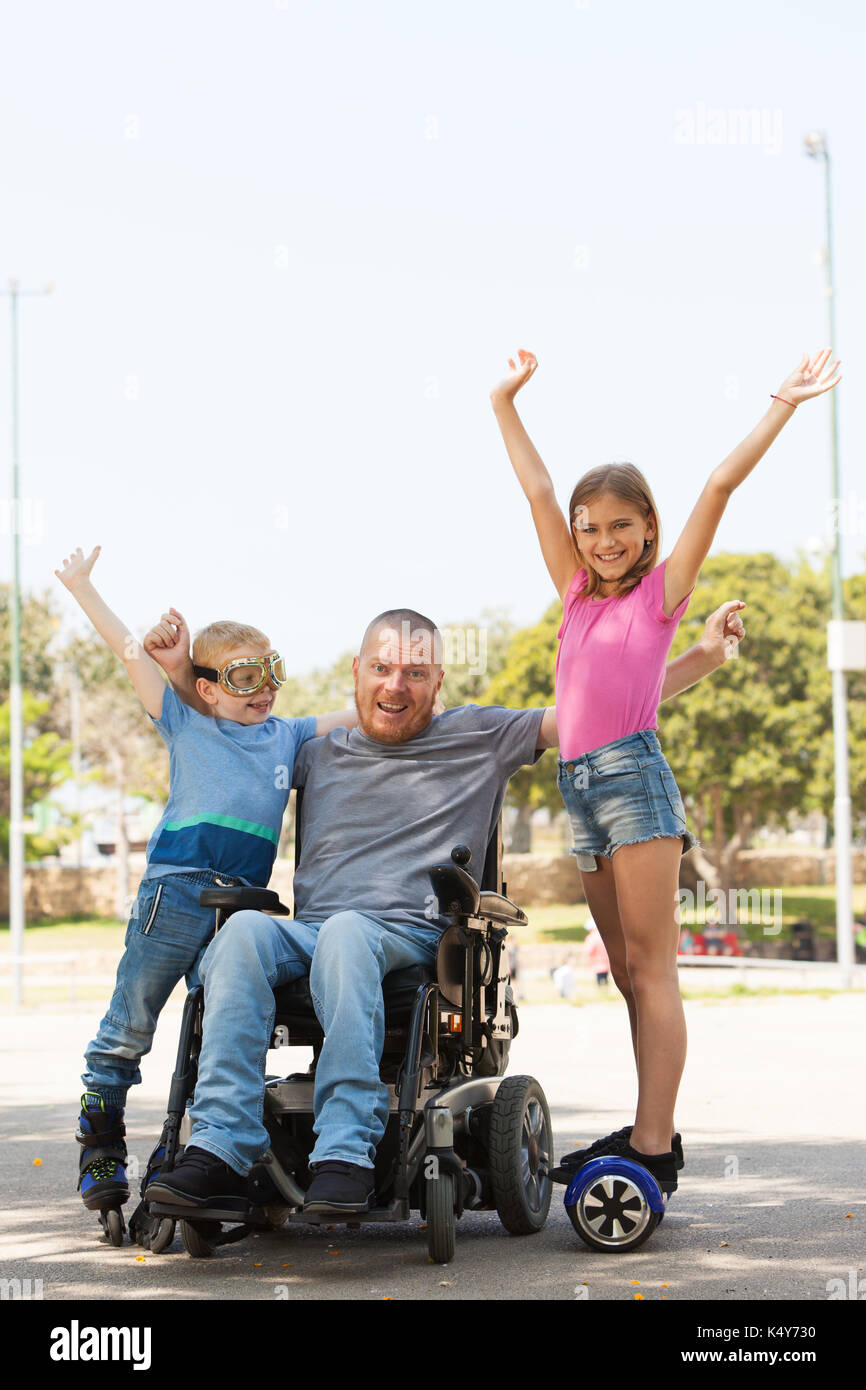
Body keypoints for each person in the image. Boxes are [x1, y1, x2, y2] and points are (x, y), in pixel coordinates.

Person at [147, 602, 741, 1216]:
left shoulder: (479, 735)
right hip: (316, 933)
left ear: (438, 682)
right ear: (357, 671)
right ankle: (219, 1147)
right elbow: (226, 732)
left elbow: (598, 715)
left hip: (410, 935)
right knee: (243, 932)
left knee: (348, 932)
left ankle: (346, 1151)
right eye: (381, 668)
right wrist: (176, 675)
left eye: (415, 672)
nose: (395, 685)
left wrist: (703, 658)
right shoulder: (315, 749)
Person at [489, 346, 840, 1193]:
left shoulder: (662, 593)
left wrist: (781, 404)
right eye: (590, 526)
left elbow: (719, 484)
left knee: (653, 969)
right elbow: (538, 492)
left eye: (620, 525)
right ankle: (654, 1129)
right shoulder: (575, 595)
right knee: (624, 975)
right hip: (579, 789)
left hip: (634, 784)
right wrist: (505, 402)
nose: (603, 539)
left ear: (647, 527)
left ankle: (651, 1145)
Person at [55, 547, 354, 1228]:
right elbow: (127, 650)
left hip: (242, 913)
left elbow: (366, 715)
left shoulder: (288, 735)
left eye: (273, 671)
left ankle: (183, 1153)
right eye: (247, 676)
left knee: (209, 1033)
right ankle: (101, 1137)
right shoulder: (186, 722)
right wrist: (82, 586)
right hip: (178, 894)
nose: (265, 686)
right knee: (132, 1023)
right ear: (208, 686)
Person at [583, 919, 610, 986]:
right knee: (605, 980)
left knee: (600, 981)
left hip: (598, 964)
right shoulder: (604, 936)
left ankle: (603, 992)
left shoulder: (591, 937)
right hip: (607, 963)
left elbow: (589, 951)